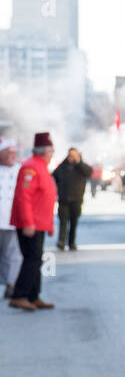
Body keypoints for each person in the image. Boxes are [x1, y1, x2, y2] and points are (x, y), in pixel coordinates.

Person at [8, 133, 57, 311]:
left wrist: (50, 224)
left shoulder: (41, 167)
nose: (52, 154)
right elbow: (23, 198)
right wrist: (28, 222)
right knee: (32, 259)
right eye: (51, 150)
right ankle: (19, 295)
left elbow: (46, 198)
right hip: (30, 224)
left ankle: (33, 296)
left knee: (36, 259)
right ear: (45, 151)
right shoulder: (31, 167)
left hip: (39, 223)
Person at [52, 146, 93, 250]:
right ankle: (61, 241)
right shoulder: (63, 166)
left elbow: (89, 172)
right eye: (70, 155)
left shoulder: (81, 166)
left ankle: (71, 242)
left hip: (76, 199)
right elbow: (54, 176)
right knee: (63, 222)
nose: (72, 157)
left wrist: (78, 162)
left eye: (74, 155)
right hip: (64, 199)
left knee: (74, 222)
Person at [0, 139, 22, 299]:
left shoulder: (20, 171)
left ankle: (10, 284)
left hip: (12, 221)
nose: (11, 156)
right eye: (8, 152)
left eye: (14, 153)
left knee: (12, 255)